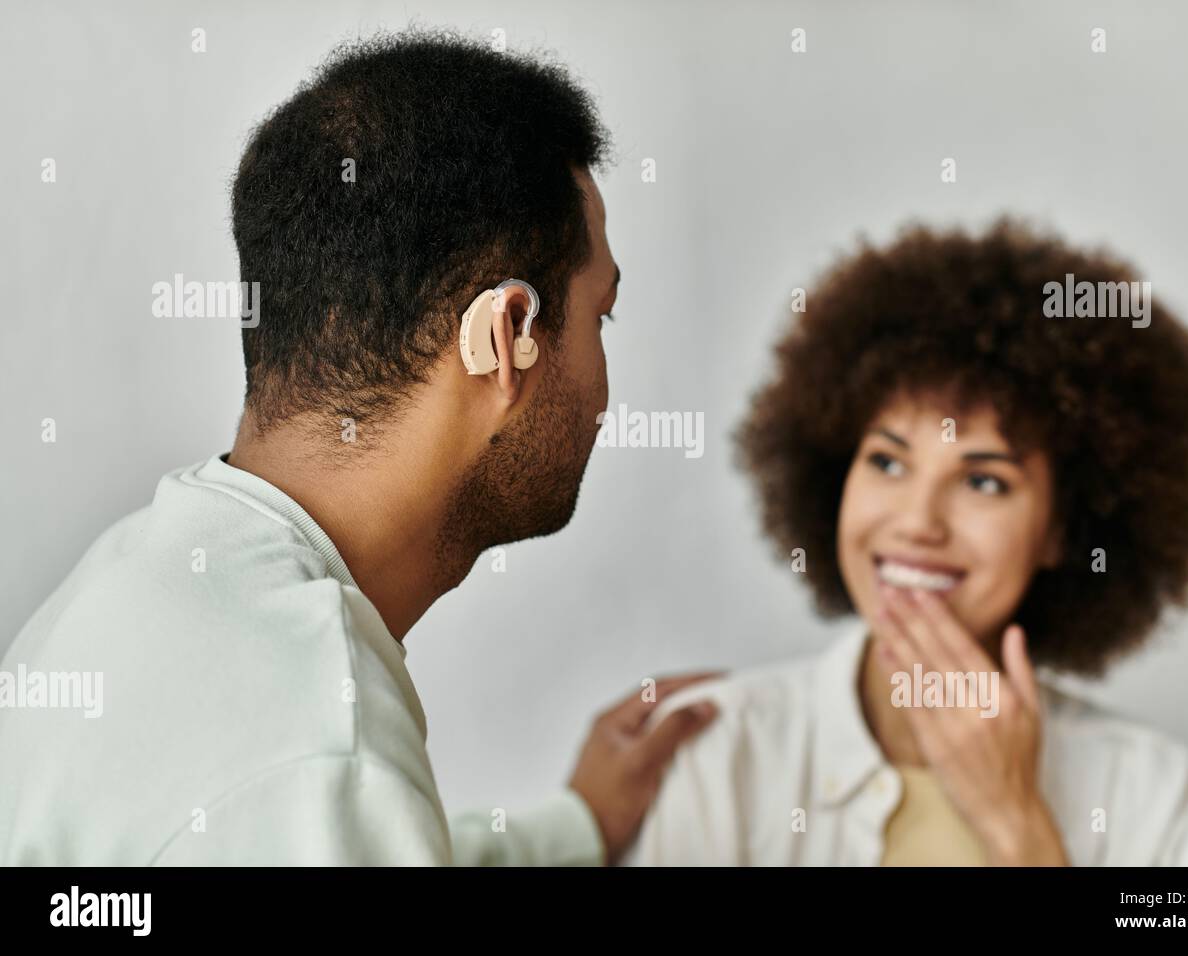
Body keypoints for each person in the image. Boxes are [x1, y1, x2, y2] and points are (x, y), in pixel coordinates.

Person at [0, 30, 716, 866]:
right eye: (603, 315)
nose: (603, 385)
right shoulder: (320, 746)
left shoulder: (131, 583)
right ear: (511, 334)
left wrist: (576, 829)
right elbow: (312, 794)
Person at [627, 220, 1188, 866]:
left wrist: (1014, 818)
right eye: (887, 462)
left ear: (1063, 529)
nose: (918, 521)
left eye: (982, 480)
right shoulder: (719, 749)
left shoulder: (1145, 786)